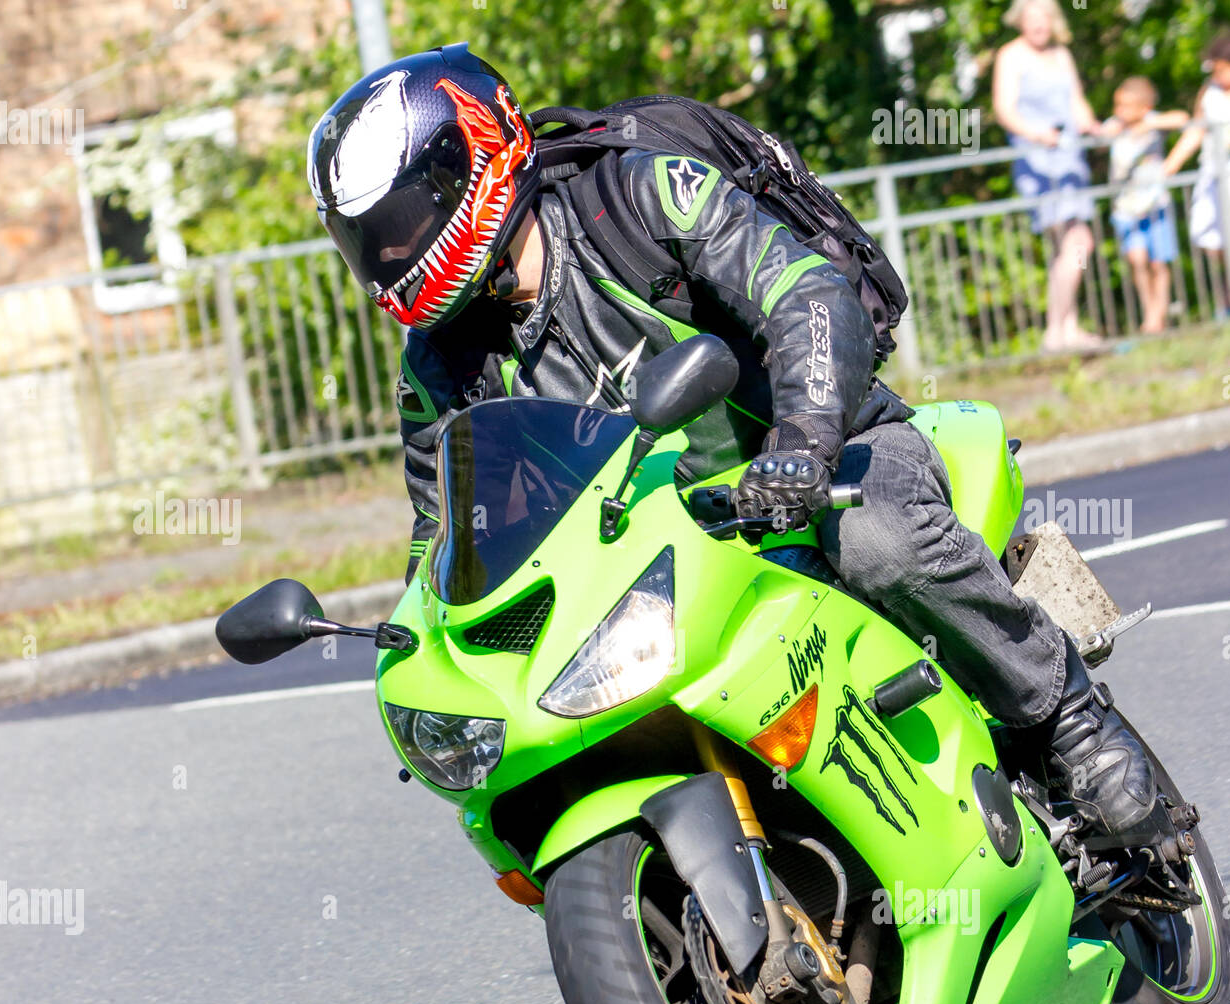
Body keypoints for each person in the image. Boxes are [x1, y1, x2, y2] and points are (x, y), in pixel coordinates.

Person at [307, 44, 1157, 835]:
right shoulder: (439, 366)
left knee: (881, 543)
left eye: (402, 222)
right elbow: (444, 528)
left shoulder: (637, 195)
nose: (390, 254)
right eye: (369, 240)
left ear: (479, 151)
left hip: (823, 460)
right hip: (663, 552)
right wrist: (426, 644)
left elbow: (807, 295)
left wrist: (803, 440)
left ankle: (1071, 721)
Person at [992, 0, 1104, 352]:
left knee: (1068, 247)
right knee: (1077, 242)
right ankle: (1057, 330)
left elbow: (1078, 103)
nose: (1039, 24)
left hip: (1069, 159)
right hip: (1038, 163)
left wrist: (1091, 125)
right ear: (1021, 21)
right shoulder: (1011, 56)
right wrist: (1036, 133)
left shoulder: (1061, 55)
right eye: (1032, 17)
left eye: (1044, 17)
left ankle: (1065, 328)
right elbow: (1004, 110)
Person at [1159, 29, 1230, 319]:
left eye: (1223, 69)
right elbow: (1196, 130)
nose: (1218, 75)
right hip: (1220, 177)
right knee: (1214, 239)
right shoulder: (1209, 93)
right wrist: (1170, 165)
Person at [1102, 77, 1189, 335]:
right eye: (1117, 105)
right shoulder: (1115, 126)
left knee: (1158, 263)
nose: (1120, 111)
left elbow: (1182, 118)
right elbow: (1100, 131)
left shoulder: (1153, 122)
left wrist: (1148, 123)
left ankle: (1157, 316)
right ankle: (1150, 311)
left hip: (1155, 204)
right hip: (1126, 208)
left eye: (1126, 106)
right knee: (1137, 259)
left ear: (1143, 107)